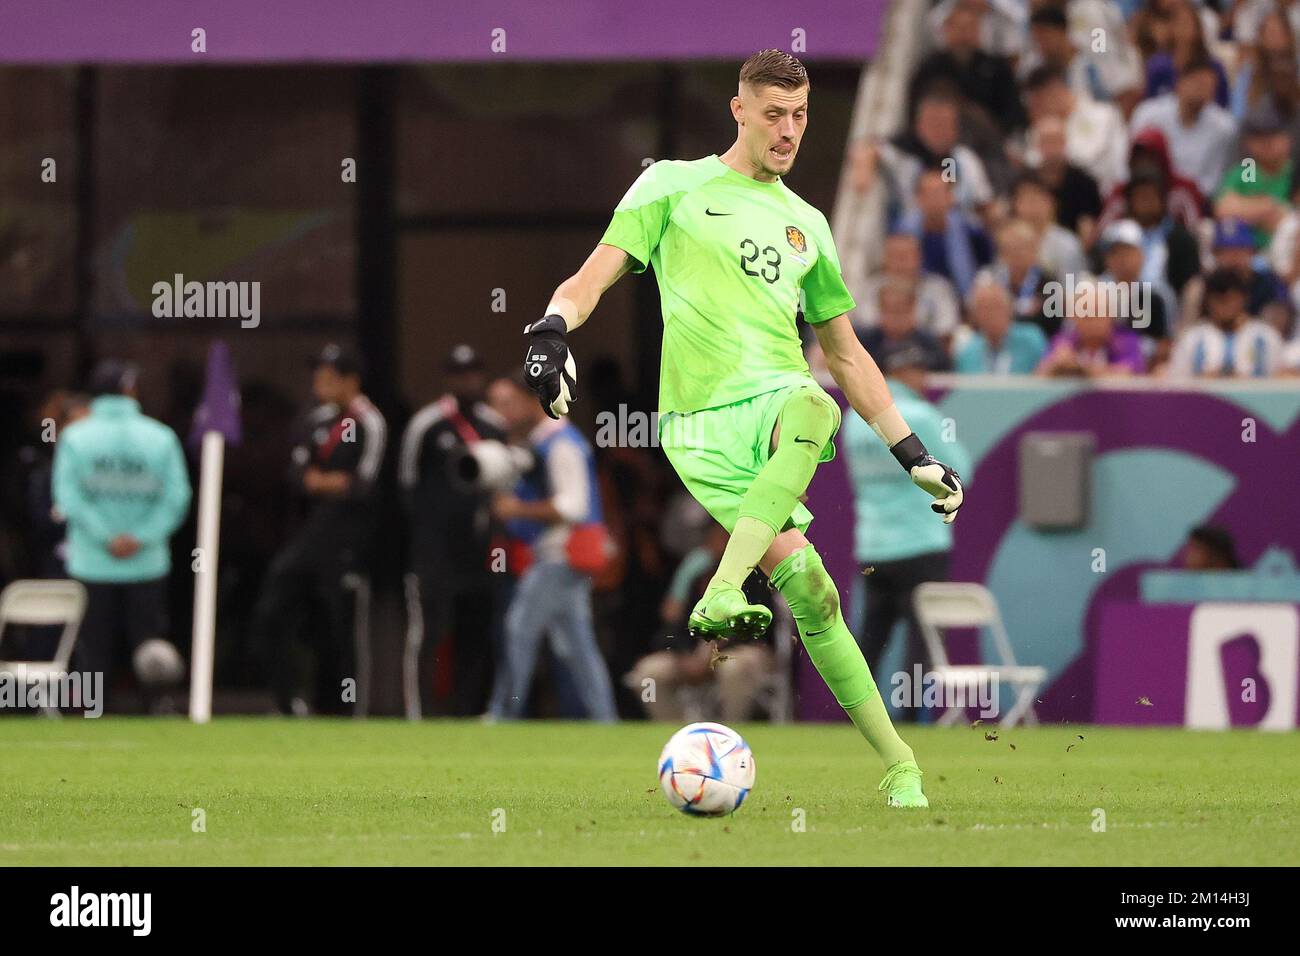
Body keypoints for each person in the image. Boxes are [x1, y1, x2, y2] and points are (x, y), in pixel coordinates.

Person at [521, 50, 967, 808]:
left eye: (798, 117)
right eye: (773, 114)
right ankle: (734, 594)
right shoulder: (671, 184)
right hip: (697, 425)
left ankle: (899, 765)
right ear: (739, 110)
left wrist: (912, 451)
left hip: (778, 403)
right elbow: (590, 275)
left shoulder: (809, 226)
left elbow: (845, 354)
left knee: (816, 411)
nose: (787, 130)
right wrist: (550, 330)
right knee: (813, 589)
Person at [250, 344, 387, 715]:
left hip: (347, 541)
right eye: (318, 375)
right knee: (273, 610)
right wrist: (328, 482)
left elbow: (362, 484)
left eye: (329, 377)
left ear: (351, 381)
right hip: (308, 535)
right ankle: (287, 701)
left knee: (340, 627)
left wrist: (322, 482)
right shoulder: (314, 419)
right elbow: (296, 475)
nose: (320, 383)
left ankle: (343, 710)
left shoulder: (369, 421)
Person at [51, 360, 191, 709]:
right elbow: (177, 497)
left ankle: (94, 708)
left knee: (93, 643)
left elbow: (67, 497)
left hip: (91, 560)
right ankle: (156, 706)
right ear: (131, 391)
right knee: (148, 641)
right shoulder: (161, 436)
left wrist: (105, 537)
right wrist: (140, 536)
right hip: (147, 561)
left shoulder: (74, 436)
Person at [841, 346, 970, 718]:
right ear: (908, 374)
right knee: (922, 639)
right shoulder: (920, 416)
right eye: (921, 372)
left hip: (874, 545)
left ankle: (856, 714)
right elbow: (959, 472)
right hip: (920, 544)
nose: (926, 380)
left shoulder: (854, 418)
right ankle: (911, 718)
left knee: (870, 638)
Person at [485, 375, 617, 722]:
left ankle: (503, 713)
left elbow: (574, 506)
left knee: (519, 628)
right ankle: (606, 719)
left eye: (511, 403)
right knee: (577, 645)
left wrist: (518, 509)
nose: (505, 413)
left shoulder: (560, 443)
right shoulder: (540, 443)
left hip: (562, 556)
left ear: (534, 402)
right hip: (557, 555)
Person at [398, 344, 507, 717]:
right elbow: (407, 484)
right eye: (460, 373)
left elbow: (505, 483)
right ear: (448, 378)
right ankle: (422, 712)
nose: (468, 380)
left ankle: (466, 710)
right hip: (435, 552)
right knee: (430, 633)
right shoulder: (428, 425)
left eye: (474, 372)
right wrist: (426, 536)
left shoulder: (494, 426)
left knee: (475, 633)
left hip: (479, 551)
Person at [623, 523, 775, 723]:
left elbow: (760, 626)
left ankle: (729, 734)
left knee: (733, 668)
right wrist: (682, 655)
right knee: (648, 673)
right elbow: (675, 627)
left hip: (743, 650)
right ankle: (680, 735)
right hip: (695, 654)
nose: (716, 543)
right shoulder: (697, 576)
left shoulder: (755, 577)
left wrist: (712, 654)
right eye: (713, 537)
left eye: (723, 538)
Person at [1129, 55, 1237, 198]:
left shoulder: (1224, 127)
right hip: (1149, 195)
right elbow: (1130, 163)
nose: (1202, 92)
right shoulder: (1148, 114)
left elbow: (1217, 179)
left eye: (1209, 87)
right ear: (1180, 83)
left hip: (1198, 200)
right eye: (1198, 84)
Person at [1167, 268, 1287, 377]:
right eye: (1219, 300)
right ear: (1207, 302)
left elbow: (1280, 377)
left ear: (1244, 299)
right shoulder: (1192, 338)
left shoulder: (1266, 336)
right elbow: (1178, 381)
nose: (1225, 307)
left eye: (1231, 299)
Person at [853, 231, 961, 346]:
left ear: (919, 258)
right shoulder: (869, 289)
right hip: (876, 354)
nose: (900, 263)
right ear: (884, 259)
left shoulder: (939, 289)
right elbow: (863, 328)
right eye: (894, 257)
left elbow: (946, 332)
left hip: (926, 355)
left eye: (905, 257)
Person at [1037, 281, 1147, 378]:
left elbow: (1128, 374)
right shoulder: (1062, 342)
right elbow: (1039, 375)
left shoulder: (1127, 342)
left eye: (1099, 313)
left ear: (1112, 316)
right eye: (1086, 315)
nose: (1093, 322)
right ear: (1073, 317)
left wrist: (1080, 369)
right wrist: (1055, 364)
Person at [954, 281, 1049, 374]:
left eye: (996, 306)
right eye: (983, 308)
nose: (990, 314)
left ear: (1009, 309)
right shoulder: (967, 352)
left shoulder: (1031, 340)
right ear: (974, 316)